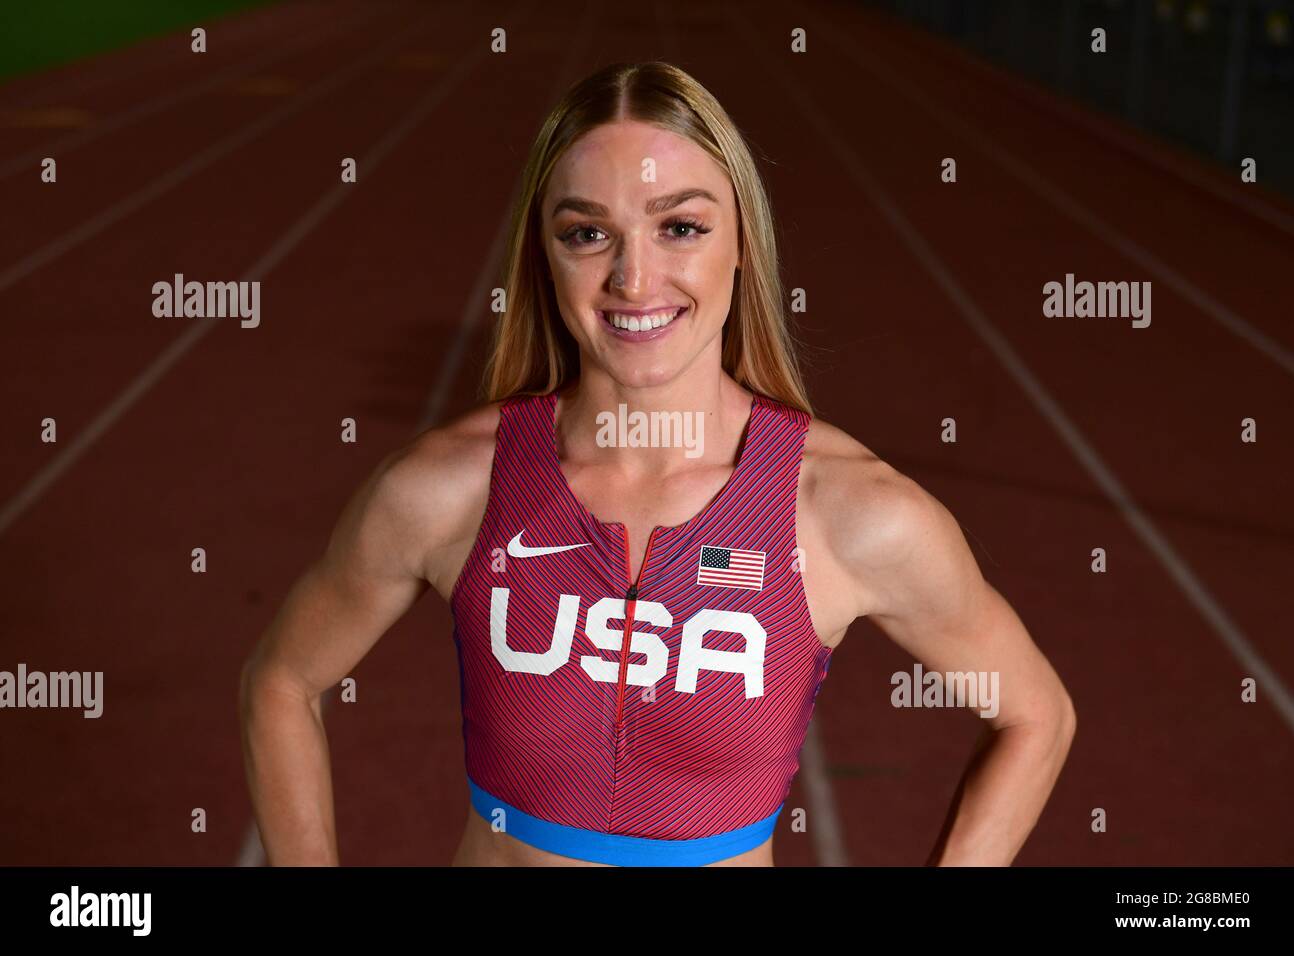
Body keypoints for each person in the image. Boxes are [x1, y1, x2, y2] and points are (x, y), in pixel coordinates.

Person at [239, 61, 1075, 867]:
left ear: (742, 241)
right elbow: (281, 680)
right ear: (544, 255)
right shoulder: (450, 490)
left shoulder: (847, 512)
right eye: (588, 233)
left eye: (680, 226)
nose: (634, 279)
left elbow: (1036, 715)